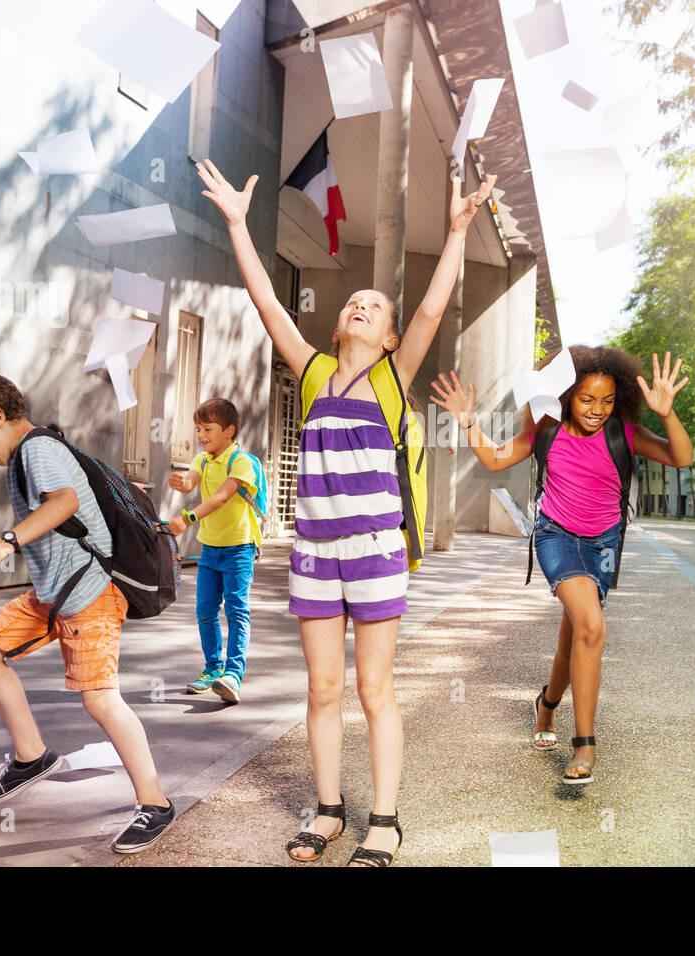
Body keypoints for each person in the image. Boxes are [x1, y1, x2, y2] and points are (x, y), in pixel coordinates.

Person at [196, 157, 494, 865]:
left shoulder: (393, 373)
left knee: (373, 688)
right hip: (314, 555)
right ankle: (328, 810)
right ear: (336, 326)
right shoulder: (314, 369)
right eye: (353, 301)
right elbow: (269, 302)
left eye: (375, 307)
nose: (361, 305)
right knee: (324, 687)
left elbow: (427, 308)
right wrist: (240, 227)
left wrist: (456, 232)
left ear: (389, 337)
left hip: (377, 553)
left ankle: (385, 820)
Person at [0, 363, 175, 854]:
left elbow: (63, 502)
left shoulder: (37, 449)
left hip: (92, 592)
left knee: (100, 698)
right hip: (54, 592)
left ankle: (155, 803)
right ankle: (31, 756)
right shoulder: (23, 453)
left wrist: (3, 543)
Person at [430, 348, 693, 785]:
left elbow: (681, 457)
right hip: (557, 537)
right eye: (588, 399)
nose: (597, 410)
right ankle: (585, 743)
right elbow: (495, 459)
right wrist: (468, 421)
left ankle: (547, 705)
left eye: (607, 401)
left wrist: (667, 415)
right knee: (591, 626)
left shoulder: (623, 434)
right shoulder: (547, 432)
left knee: (574, 640)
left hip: (604, 544)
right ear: (567, 395)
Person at [167, 397, 262, 703]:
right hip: (211, 550)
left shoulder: (242, 462)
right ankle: (212, 669)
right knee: (206, 611)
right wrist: (179, 483)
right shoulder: (202, 460)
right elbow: (190, 482)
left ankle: (233, 675)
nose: (201, 435)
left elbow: (222, 497)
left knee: (236, 611)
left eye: (208, 428)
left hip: (239, 549)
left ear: (229, 431)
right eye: (198, 429)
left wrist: (187, 518)